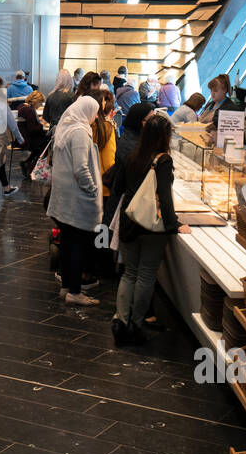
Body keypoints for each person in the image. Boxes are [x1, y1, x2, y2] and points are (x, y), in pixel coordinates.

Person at [110, 116, 190, 344]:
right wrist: (174, 225)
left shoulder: (130, 157)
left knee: (129, 273)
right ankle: (135, 325)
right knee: (145, 275)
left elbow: (118, 188)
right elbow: (165, 198)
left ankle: (121, 321)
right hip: (151, 227)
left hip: (129, 221)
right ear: (165, 137)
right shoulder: (163, 161)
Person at [49, 96, 103, 307]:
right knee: (78, 246)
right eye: (95, 111)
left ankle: (66, 288)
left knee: (67, 244)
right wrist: (93, 189)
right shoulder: (80, 132)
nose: (96, 116)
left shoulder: (66, 128)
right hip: (77, 200)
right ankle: (75, 291)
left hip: (63, 199)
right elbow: (81, 168)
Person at [17, 90, 49, 175]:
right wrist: (42, 124)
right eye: (40, 103)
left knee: (42, 144)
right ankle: (32, 165)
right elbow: (33, 129)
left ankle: (29, 163)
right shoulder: (29, 111)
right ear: (36, 101)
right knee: (46, 144)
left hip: (21, 137)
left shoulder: (21, 106)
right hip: (27, 139)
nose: (41, 105)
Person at [94, 88, 117, 197]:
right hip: (103, 184)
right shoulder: (107, 128)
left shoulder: (89, 124)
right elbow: (109, 160)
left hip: (88, 181)